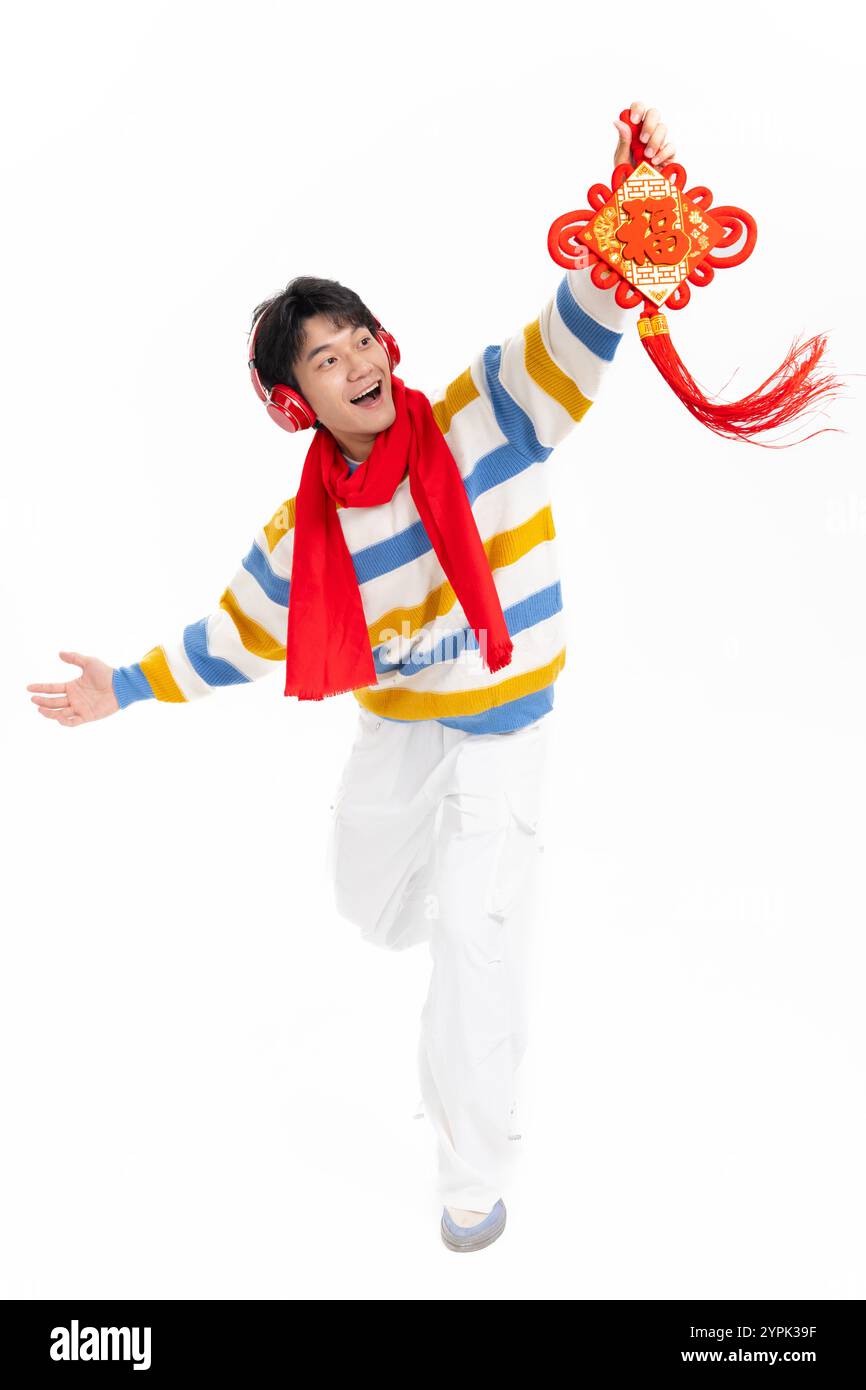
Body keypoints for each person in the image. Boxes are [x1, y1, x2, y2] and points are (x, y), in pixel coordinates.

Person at [27, 102, 677, 1252]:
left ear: (389, 346)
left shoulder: (488, 414)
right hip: (400, 734)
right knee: (369, 910)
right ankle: (476, 895)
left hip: (503, 733)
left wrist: (630, 225)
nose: (355, 362)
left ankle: (472, 1171)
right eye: (324, 359)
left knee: (477, 947)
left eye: (360, 339)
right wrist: (120, 686)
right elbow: (229, 637)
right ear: (298, 405)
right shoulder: (302, 538)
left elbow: (569, 329)